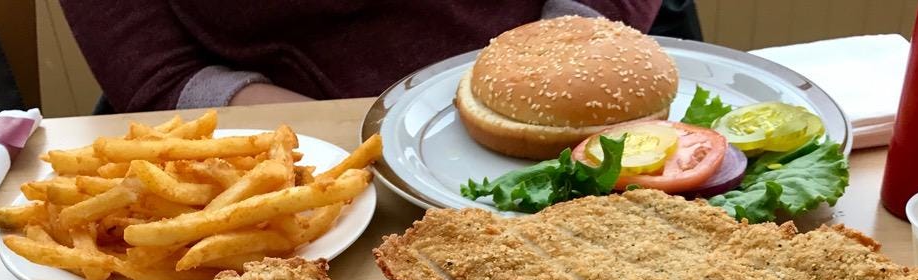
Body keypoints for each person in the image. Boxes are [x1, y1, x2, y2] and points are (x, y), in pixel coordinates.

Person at [59, 1, 677, 113]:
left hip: (549, 97)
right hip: (296, 153)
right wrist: (363, 145)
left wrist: (562, 67)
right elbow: (155, 70)